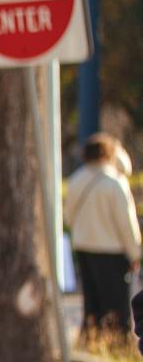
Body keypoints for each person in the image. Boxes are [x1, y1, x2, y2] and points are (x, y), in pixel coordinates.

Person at [64, 133, 140, 345]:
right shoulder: (115, 182)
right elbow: (127, 223)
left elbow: (68, 217)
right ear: (110, 154)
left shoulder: (76, 179)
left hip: (84, 249)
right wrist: (135, 253)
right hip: (113, 251)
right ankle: (118, 345)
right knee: (117, 306)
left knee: (92, 303)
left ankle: (90, 342)